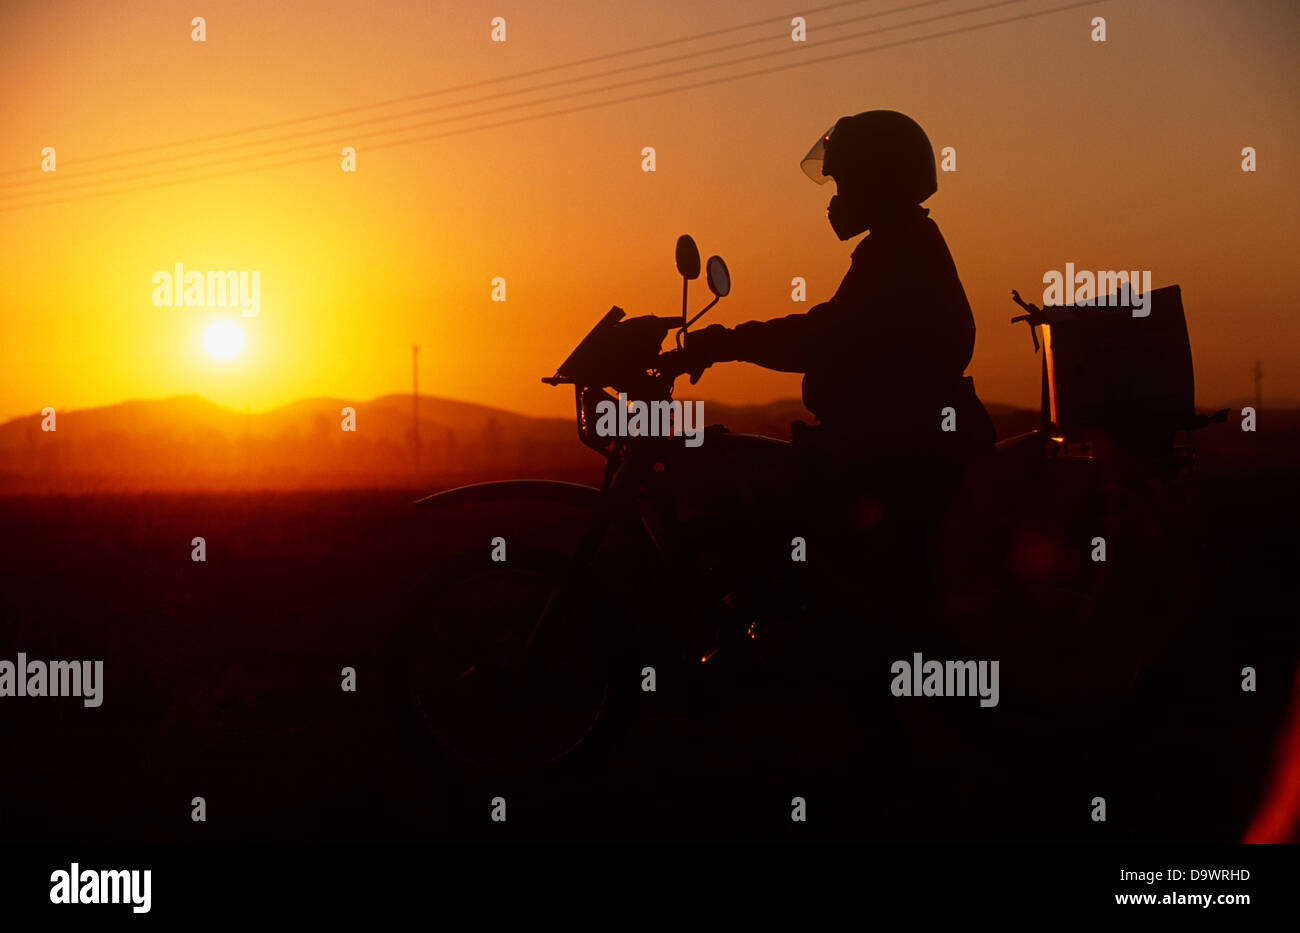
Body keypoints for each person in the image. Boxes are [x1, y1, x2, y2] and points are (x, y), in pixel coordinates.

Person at [674, 110, 996, 626]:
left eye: (844, 182)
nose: (835, 198)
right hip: (892, 442)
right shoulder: (896, 244)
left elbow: (823, 334)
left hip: (899, 452)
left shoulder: (900, 249)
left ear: (879, 180)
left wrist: (724, 343)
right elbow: (833, 330)